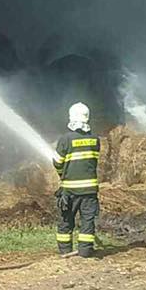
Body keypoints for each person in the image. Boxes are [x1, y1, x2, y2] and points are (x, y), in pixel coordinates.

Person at [52, 102, 100, 258]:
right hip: (90, 190)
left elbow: (58, 162)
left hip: (70, 190)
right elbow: (93, 161)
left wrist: (62, 174)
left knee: (66, 221)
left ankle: (65, 251)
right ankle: (85, 251)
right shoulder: (94, 139)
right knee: (88, 220)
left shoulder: (66, 139)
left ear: (71, 117)